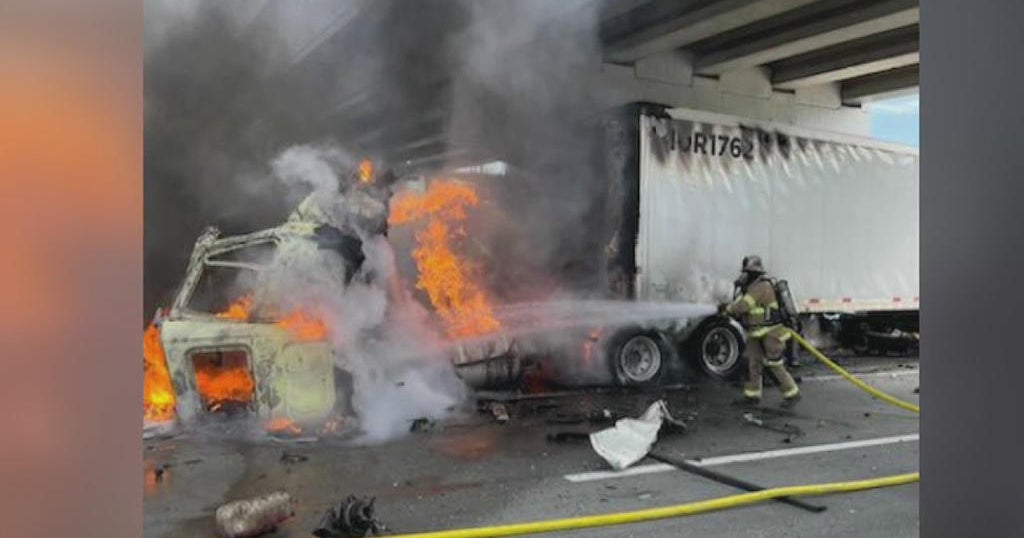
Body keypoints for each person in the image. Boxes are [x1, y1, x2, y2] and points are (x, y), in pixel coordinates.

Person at [718, 255, 801, 408]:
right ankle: (752, 396)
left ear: (754, 273)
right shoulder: (752, 287)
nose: (744, 275)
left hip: (771, 332)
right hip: (756, 332)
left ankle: (792, 394)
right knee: (753, 363)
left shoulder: (762, 286)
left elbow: (745, 305)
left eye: (747, 273)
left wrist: (728, 309)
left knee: (774, 364)